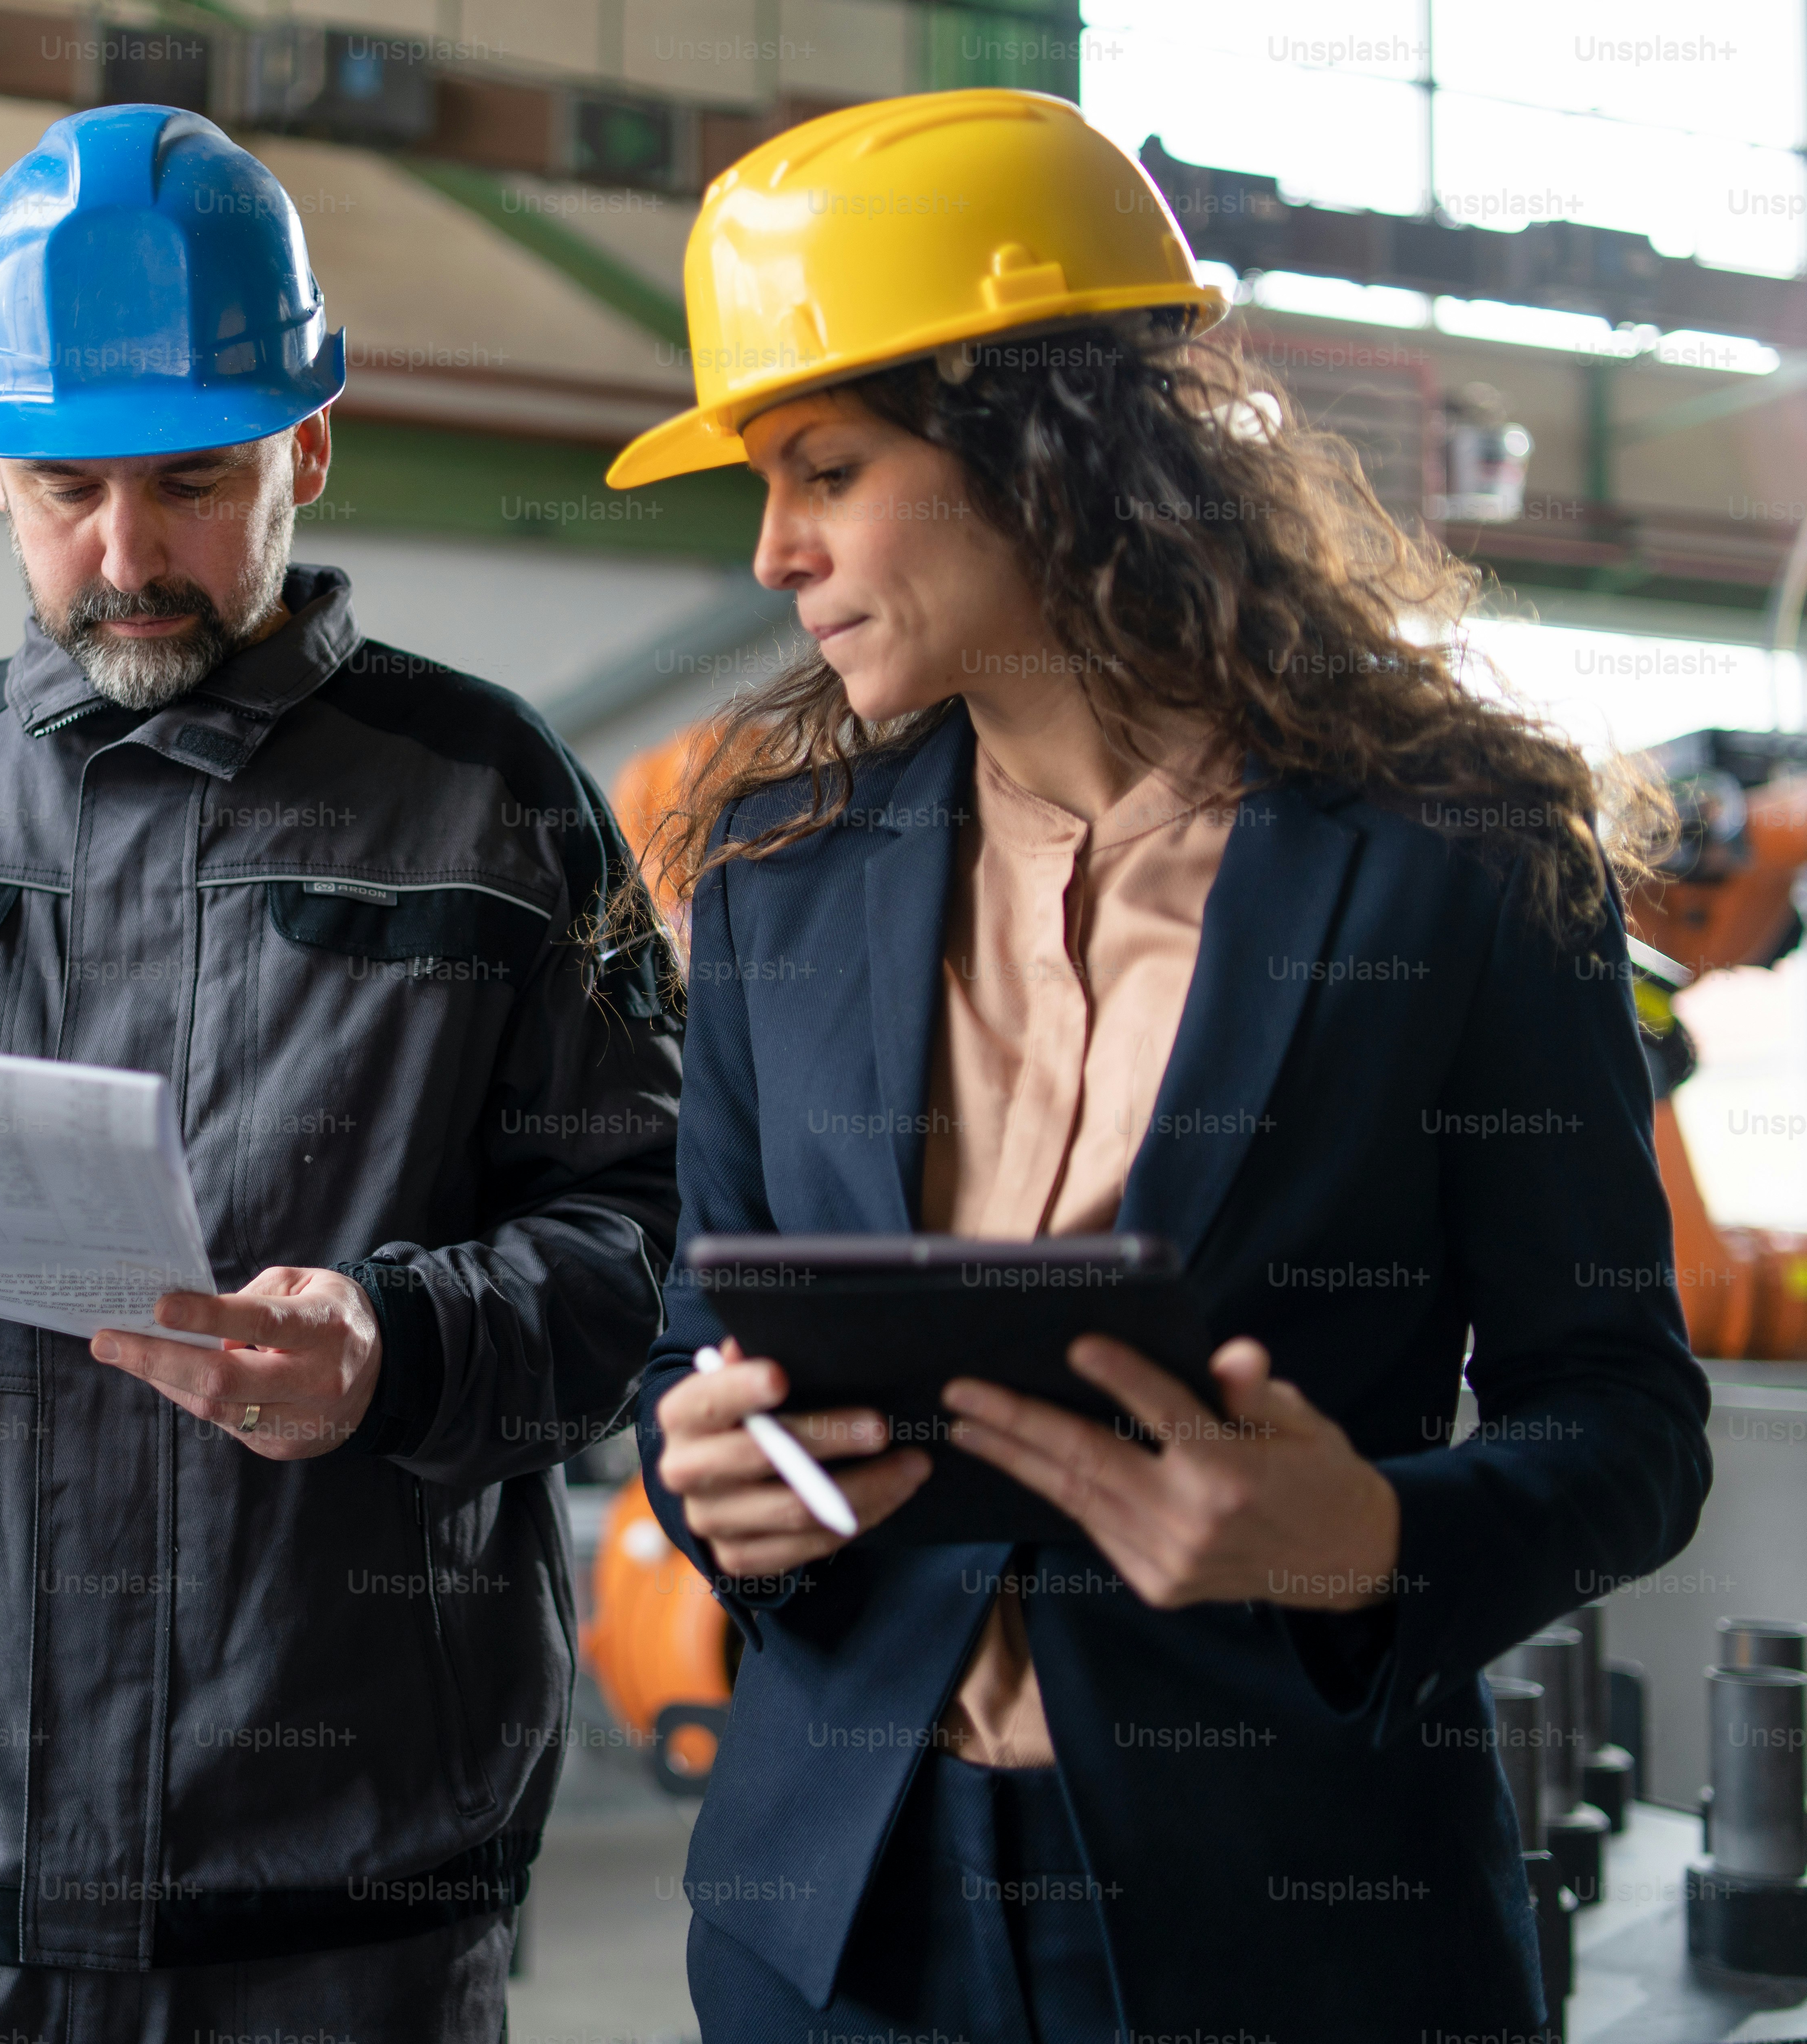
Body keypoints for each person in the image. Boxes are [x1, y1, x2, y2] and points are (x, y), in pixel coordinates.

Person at [607, 90, 1712, 2040]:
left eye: (827, 469)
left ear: (1045, 452)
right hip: (835, 1921)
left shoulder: (1453, 864)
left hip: (1295, 1931)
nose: (775, 553)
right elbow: (703, 1340)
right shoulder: (783, 882)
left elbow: (1621, 1417)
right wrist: (705, 1471)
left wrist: (1365, 1535)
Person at [0, 104, 681, 2041]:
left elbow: (649, 1249)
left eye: (192, 481)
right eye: (62, 491)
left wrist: (398, 1351)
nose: (127, 558)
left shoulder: (495, 808)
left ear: (308, 448)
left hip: (331, 1896)